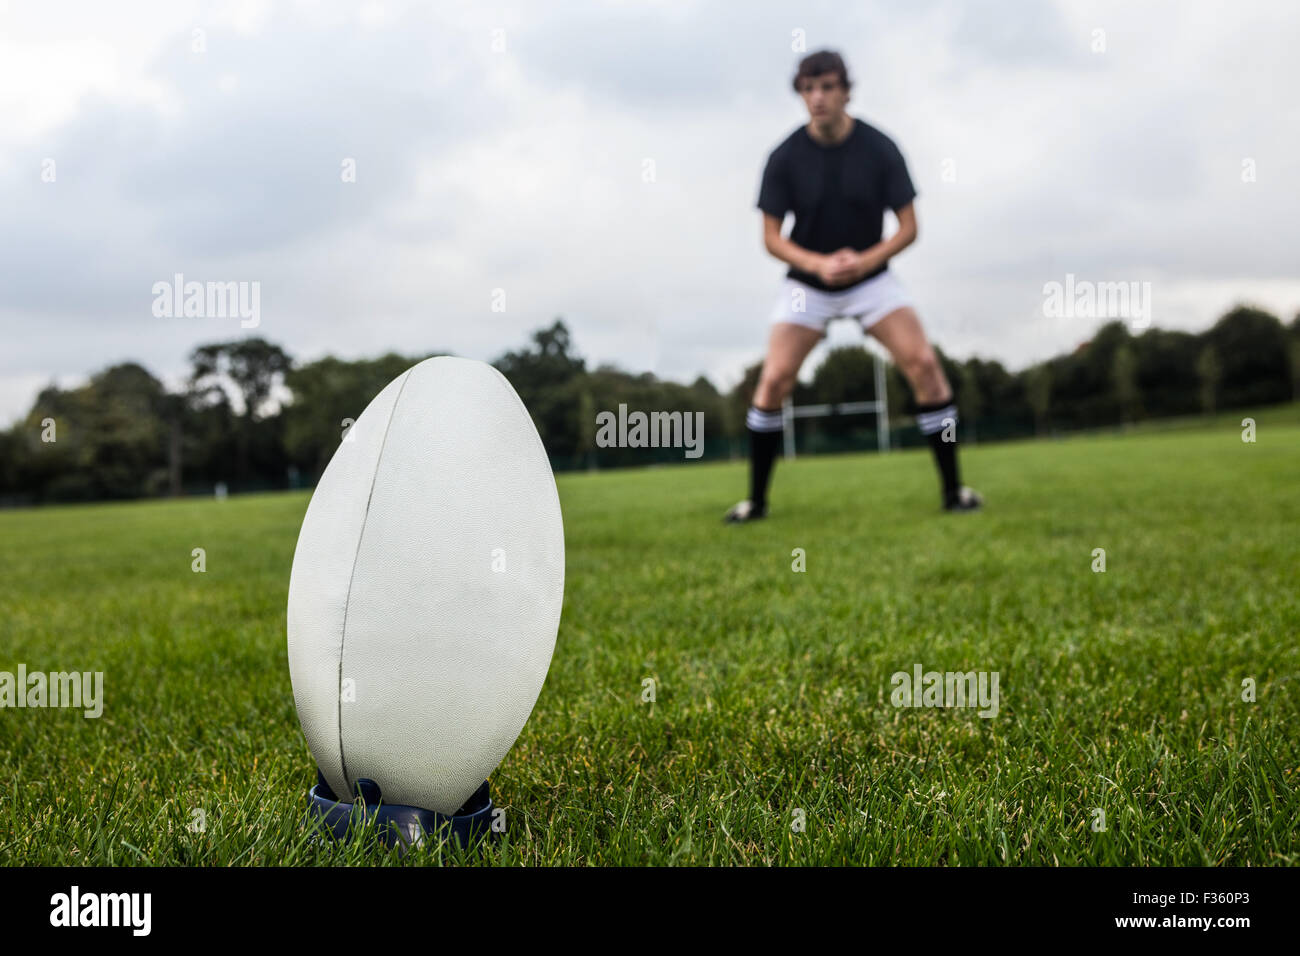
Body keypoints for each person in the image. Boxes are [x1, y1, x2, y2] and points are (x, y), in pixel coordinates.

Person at [725, 49, 982, 523]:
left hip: (872, 278)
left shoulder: (879, 147)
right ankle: (755, 503)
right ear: (800, 94)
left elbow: (908, 228)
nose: (817, 98)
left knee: (925, 365)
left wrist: (863, 261)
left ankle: (954, 491)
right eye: (808, 89)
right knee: (774, 380)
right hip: (808, 282)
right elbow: (771, 238)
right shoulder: (784, 158)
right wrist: (819, 265)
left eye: (827, 87)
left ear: (846, 91)